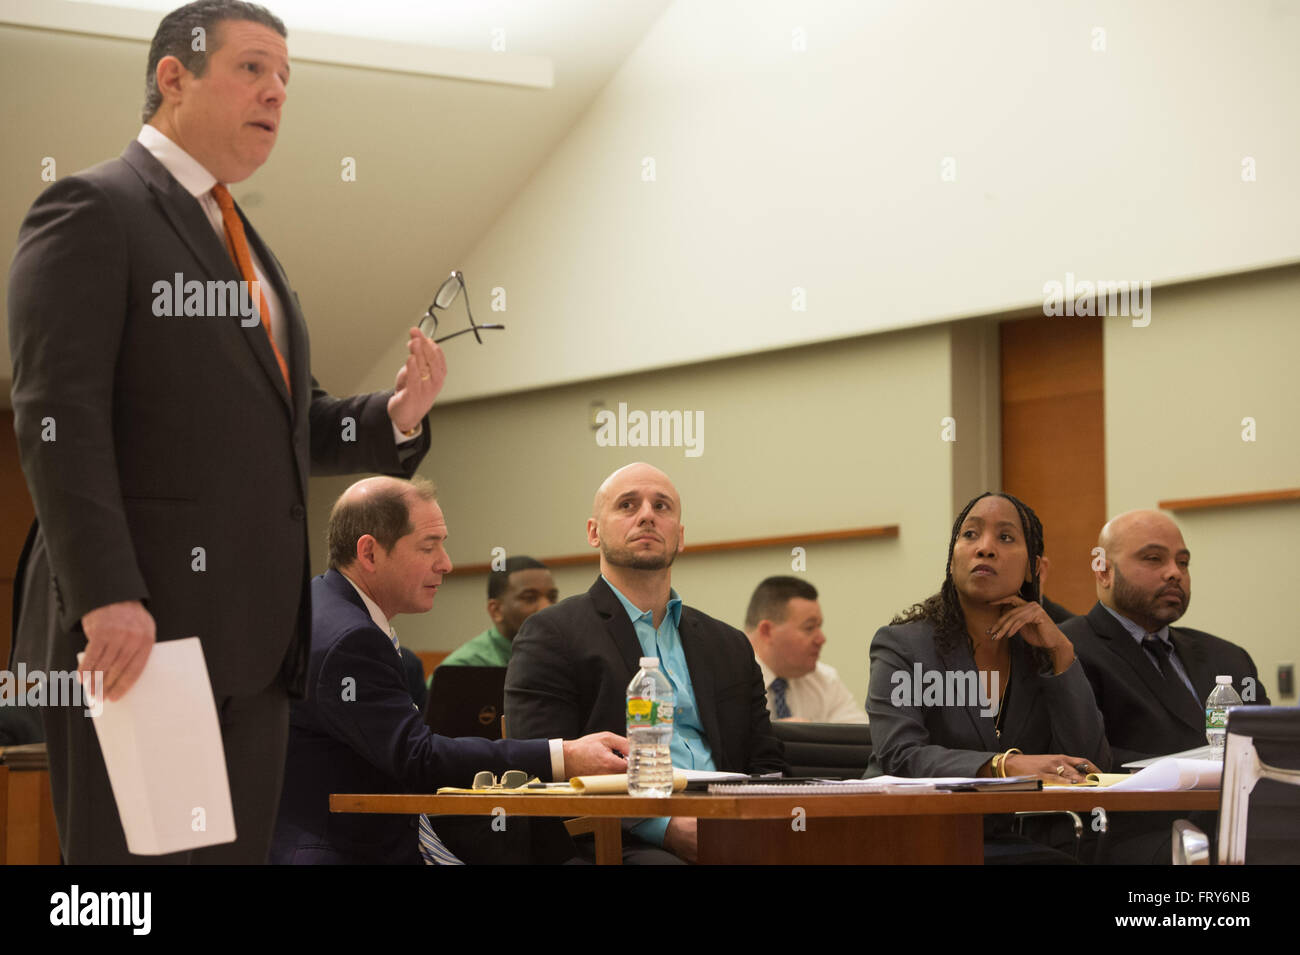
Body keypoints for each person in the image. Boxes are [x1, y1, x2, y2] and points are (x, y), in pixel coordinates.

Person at [7, 1, 444, 863]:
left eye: (286, 77)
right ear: (174, 77)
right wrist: (106, 595)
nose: (276, 92)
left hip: (255, 648)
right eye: (252, 68)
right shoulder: (92, 208)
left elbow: (288, 423)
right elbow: (58, 416)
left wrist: (391, 417)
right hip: (141, 631)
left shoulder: (246, 243)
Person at [271, 477, 627, 864]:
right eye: (429, 546)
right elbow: (418, 759)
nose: (446, 563)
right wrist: (565, 756)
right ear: (369, 553)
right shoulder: (348, 638)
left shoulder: (328, 609)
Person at [505, 463, 785, 863]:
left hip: (729, 819)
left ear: (681, 537)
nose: (648, 515)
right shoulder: (551, 634)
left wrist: (759, 822)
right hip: (616, 836)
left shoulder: (728, 644)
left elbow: (765, 759)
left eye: (662, 506)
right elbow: (542, 771)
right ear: (593, 532)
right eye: (627, 505)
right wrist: (665, 828)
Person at [864, 492, 1111, 862]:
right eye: (970, 535)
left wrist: (1061, 656)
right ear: (952, 561)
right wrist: (1004, 765)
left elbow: (1090, 765)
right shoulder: (903, 646)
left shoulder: (1041, 651)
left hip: (1001, 840)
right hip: (907, 834)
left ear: (1033, 568)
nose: (985, 548)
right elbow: (901, 756)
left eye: (1006, 537)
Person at [1060, 510, 1270, 766]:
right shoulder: (1066, 652)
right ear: (1103, 572)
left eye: (1182, 562)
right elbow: (1081, 759)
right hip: (1136, 804)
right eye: (1153, 559)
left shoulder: (1230, 658)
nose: (1175, 573)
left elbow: (1268, 745)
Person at [743, 576, 866, 723]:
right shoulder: (725, 681)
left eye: (819, 627)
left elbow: (859, 740)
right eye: (809, 628)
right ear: (767, 631)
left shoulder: (825, 681)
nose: (821, 639)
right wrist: (776, 735)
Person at [437, 556, 557, 670]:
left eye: (552, 597)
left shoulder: (559, 655)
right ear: (496, 610)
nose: (547, 607)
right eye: (530, 598)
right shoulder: (464, 666)